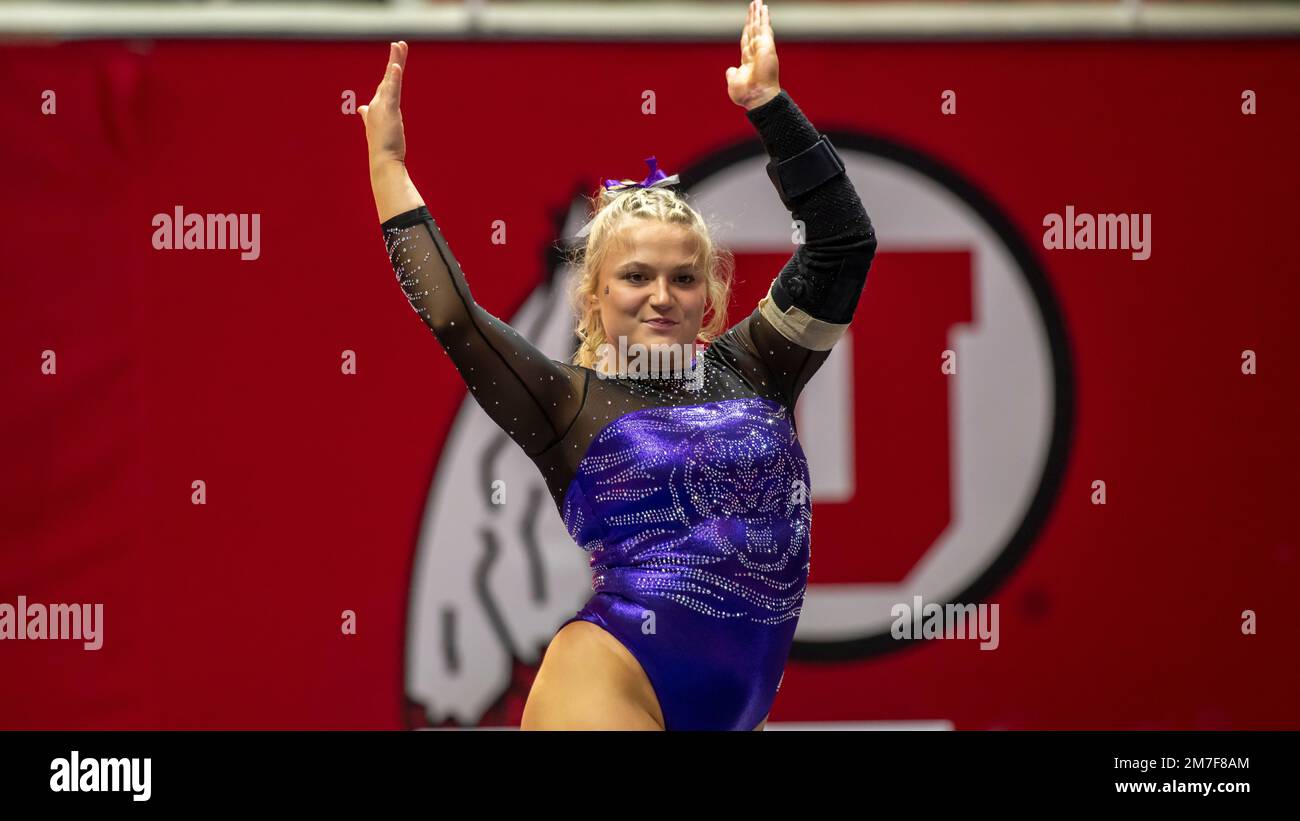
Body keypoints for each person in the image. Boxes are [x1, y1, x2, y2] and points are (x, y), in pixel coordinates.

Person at [360, 0, 877, 731]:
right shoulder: (569, 403)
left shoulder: (760, 365)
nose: (661, 297)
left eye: (684, 278)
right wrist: (387, 166)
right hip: (611, 675)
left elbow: (842, 246)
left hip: (741, 704)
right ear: (596, 298)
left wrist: (769, 105)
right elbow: (454, 317)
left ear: (711, 297)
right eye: (636, 277)